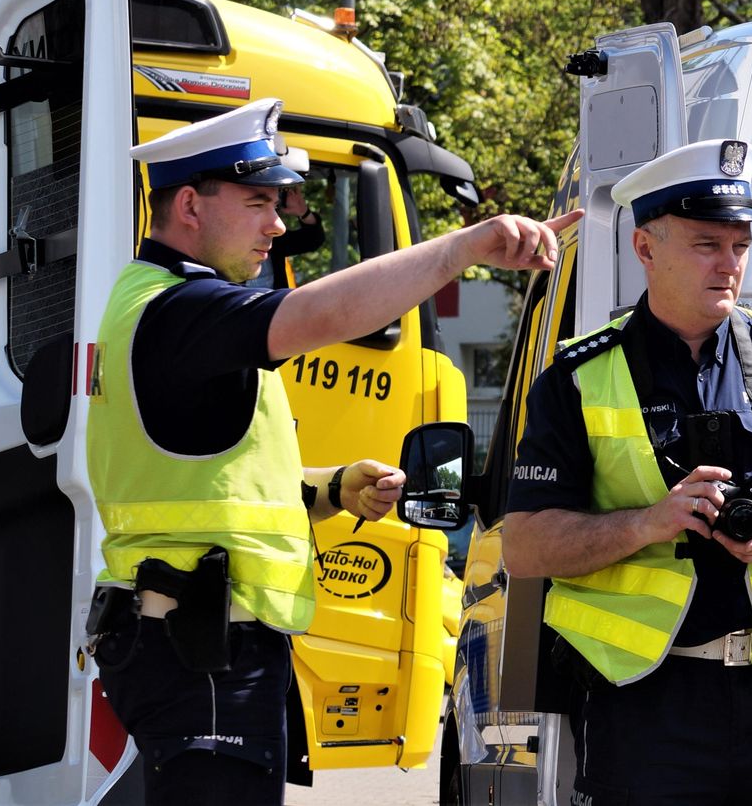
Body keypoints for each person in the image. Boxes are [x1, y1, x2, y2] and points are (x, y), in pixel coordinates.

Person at [87, 97, 576, 804]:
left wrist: (333, 488)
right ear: (190, 204)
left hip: (191, 642)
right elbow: (321, 314)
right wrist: (464, 247)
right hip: (202, 650)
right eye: (259, 201)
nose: (278, 225)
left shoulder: (150, 300)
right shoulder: (181, 309)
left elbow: (217, 490)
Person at [505, 138, 752, 805]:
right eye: (707, 245)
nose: (729, 265)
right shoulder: (578, 377)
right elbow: (527, 545)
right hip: (651, 706)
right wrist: (650, 522)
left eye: (739, 246)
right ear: (645, 248)